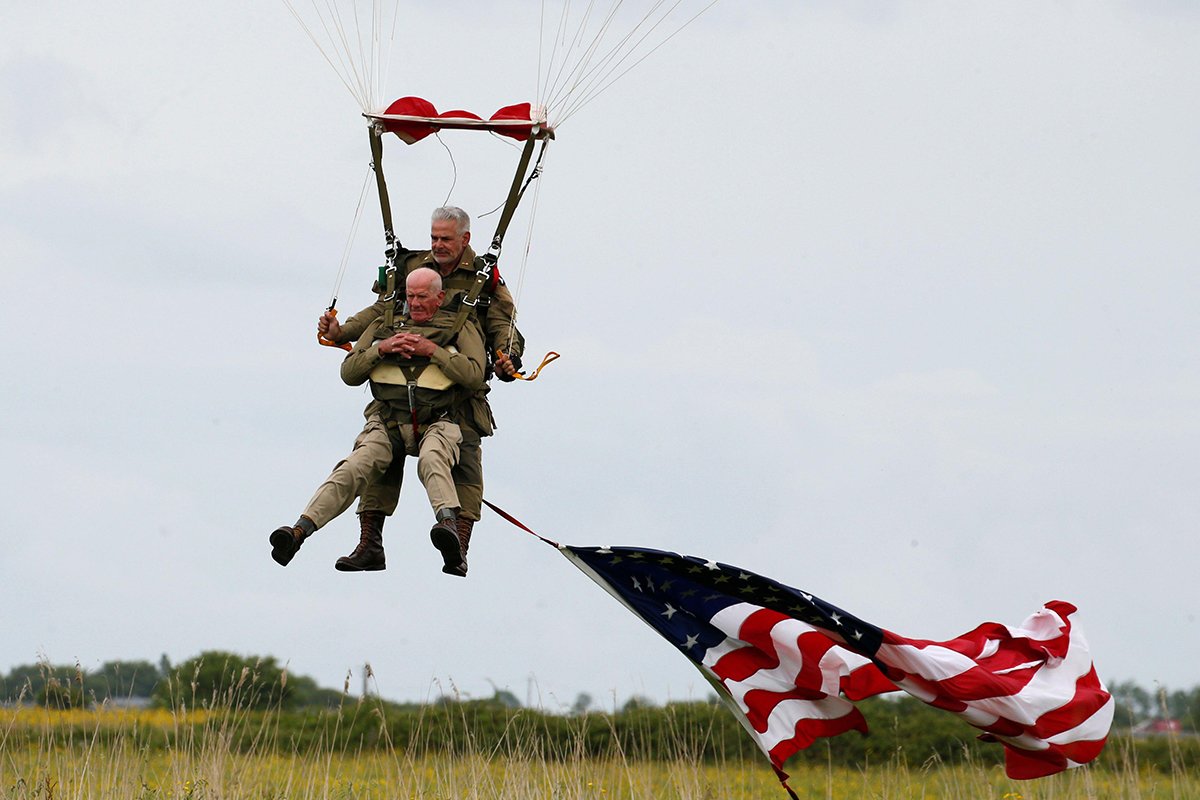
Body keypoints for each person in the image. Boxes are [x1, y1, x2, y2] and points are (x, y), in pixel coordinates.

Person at [317, 206, 525, 575]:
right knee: (378, 456)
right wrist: (342, 332)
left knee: (464, 463)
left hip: (458, 386)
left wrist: (507, 358)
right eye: (434, 237)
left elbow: (503, 325)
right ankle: (369, 544)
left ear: (465, 239)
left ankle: (458, 547)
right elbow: (381, 310)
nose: (438, 245)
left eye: (446, 238)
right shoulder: (412, 268)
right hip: (402, 384)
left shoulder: (484, 278)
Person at [271, 267, 485, 576]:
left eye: (422, 297)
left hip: (440, 418)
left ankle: (448, 527)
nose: (415, 303)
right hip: (388, 419)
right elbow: (349, 373)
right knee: (355, 465)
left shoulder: (461, 325)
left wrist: (432, 351)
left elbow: (474, 374)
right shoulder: (384, 324)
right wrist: (381, 349)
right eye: (410, 296)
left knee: (433, 459)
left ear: (439, 297)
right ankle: (298, 532)